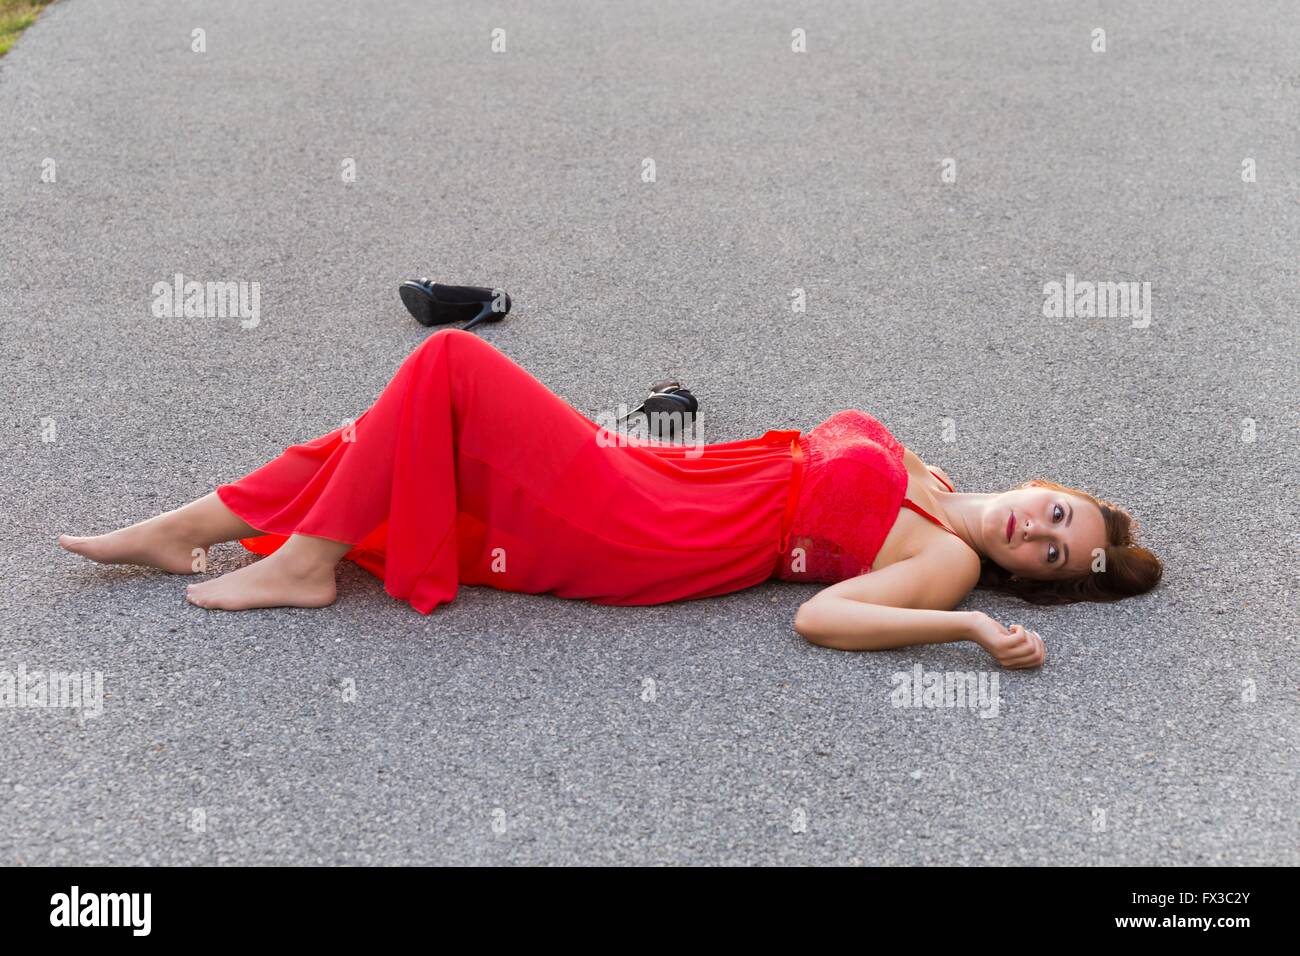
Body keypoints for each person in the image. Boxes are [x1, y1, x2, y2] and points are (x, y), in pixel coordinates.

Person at [58, 328, 1162, 669]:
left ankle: (300, 561)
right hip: (653, 475)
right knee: (397, 420)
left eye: (1050, 563)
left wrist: (965, 622)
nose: (1041, 539)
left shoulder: (950, 562)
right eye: (1060, 519)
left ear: (1023, 579)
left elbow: (819, 614)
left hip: (650, 531)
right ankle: (187, 530)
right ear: (1047, 486)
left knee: (447, 361)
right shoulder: (932, 478)